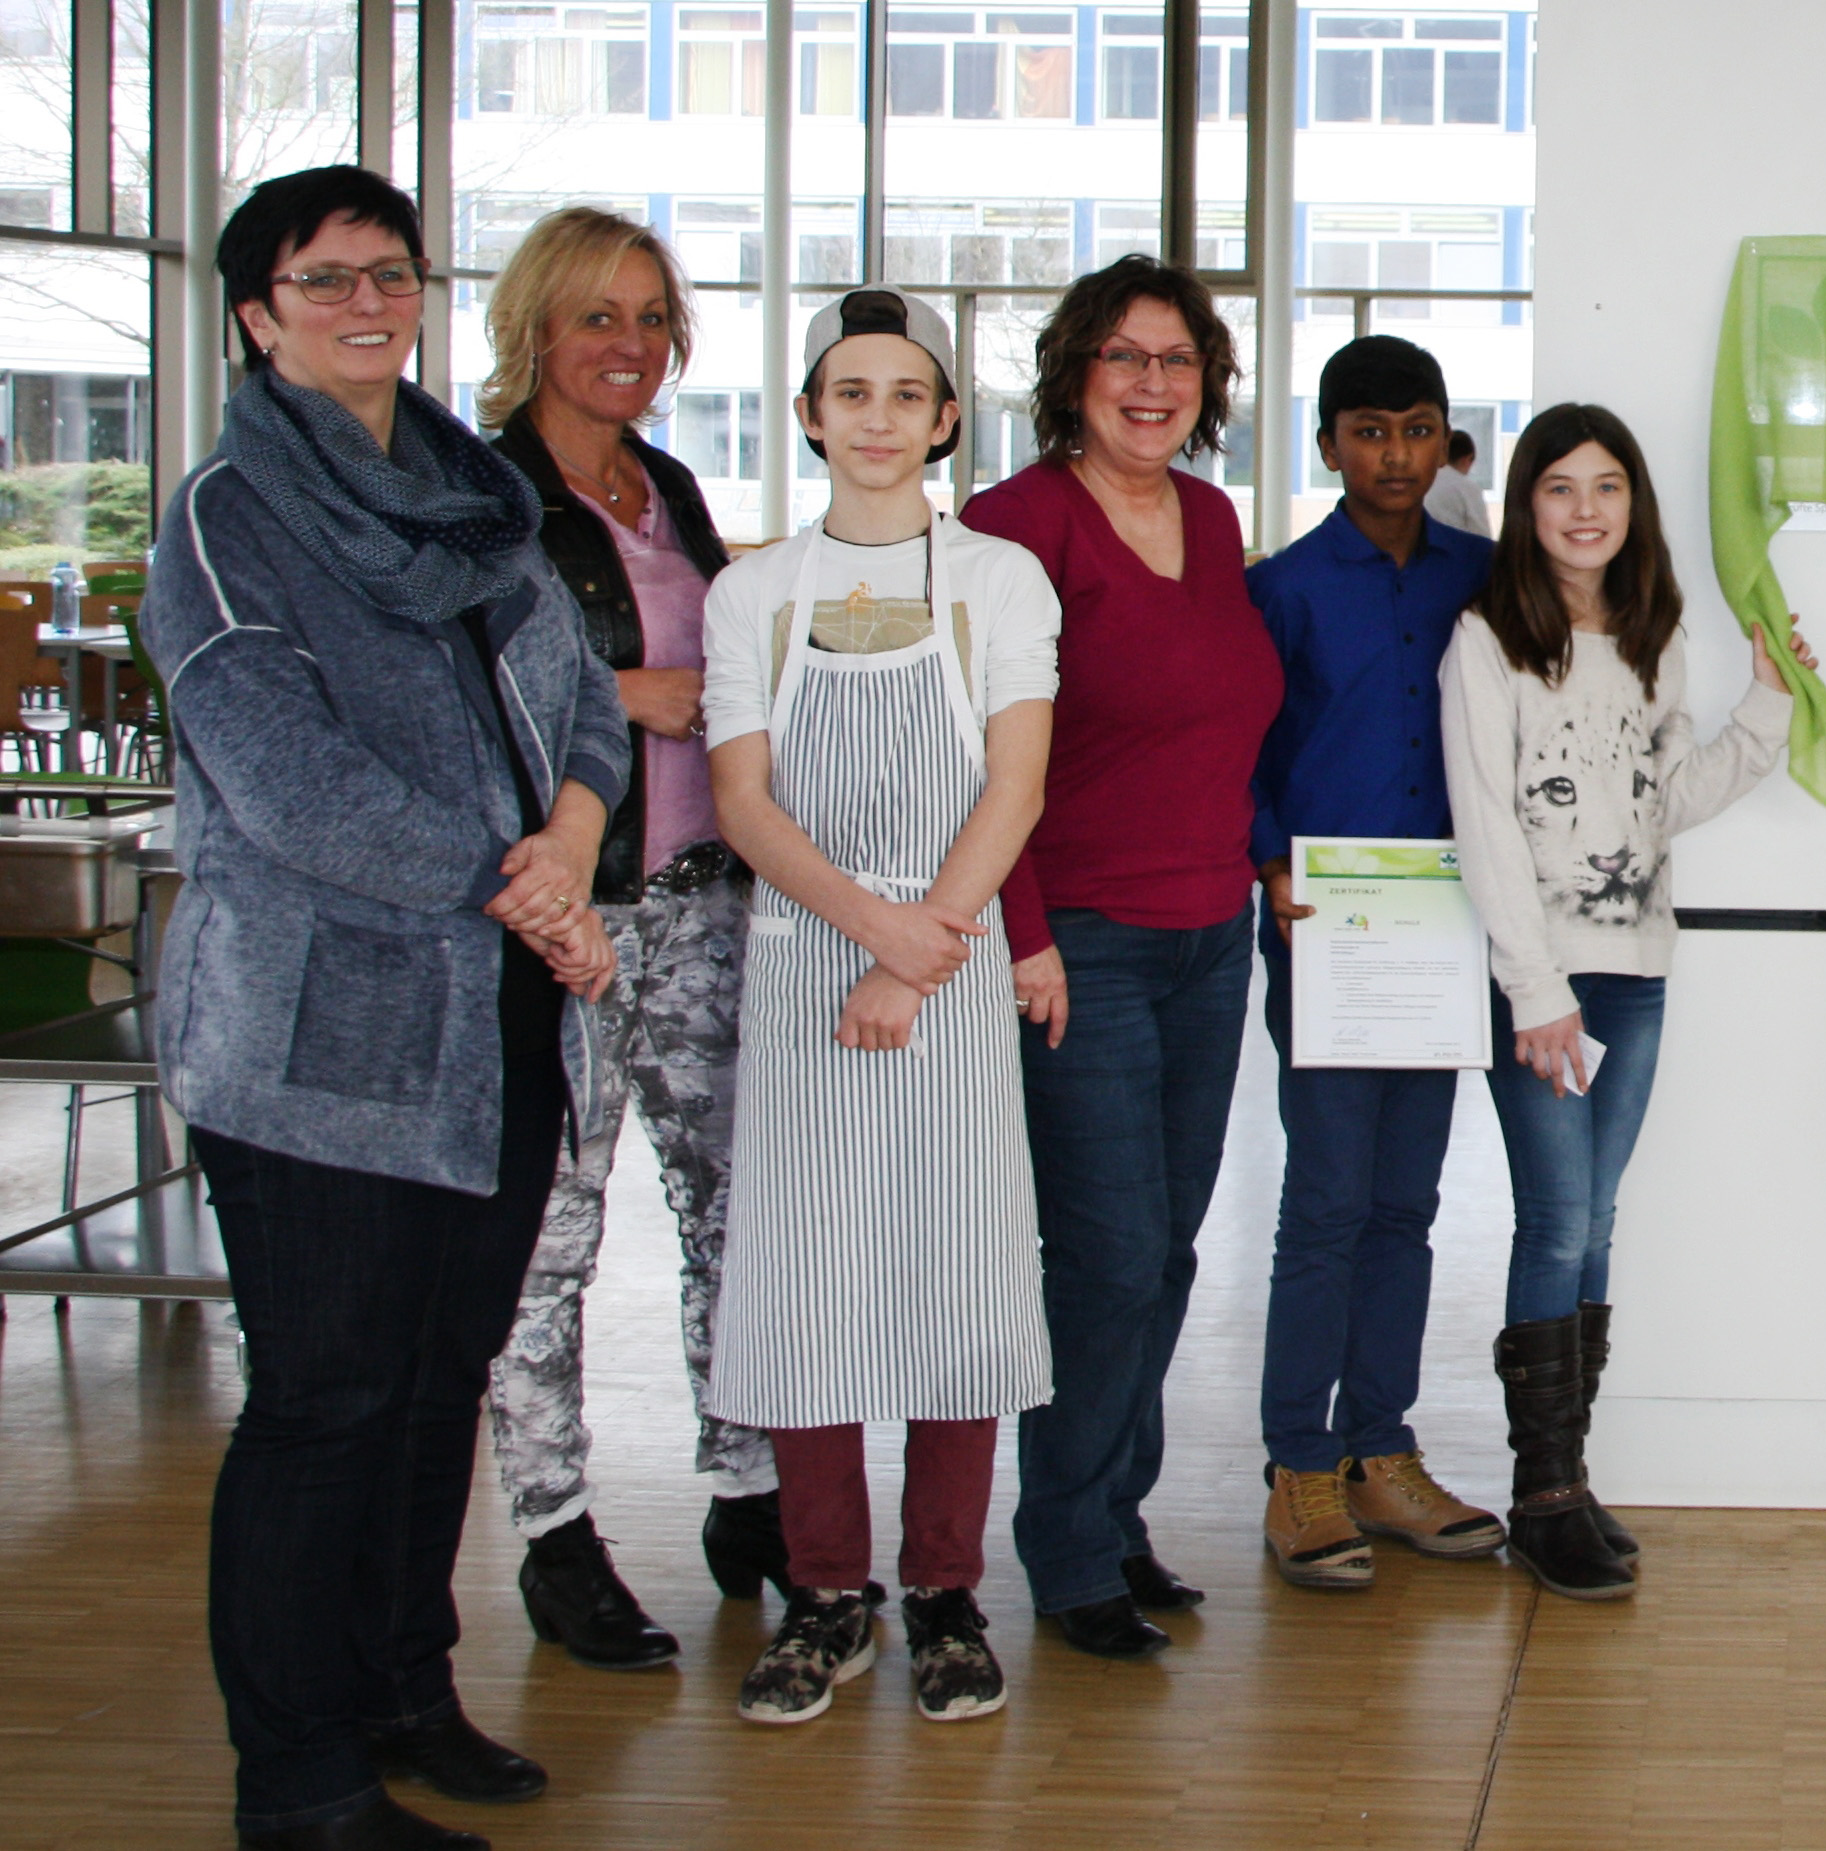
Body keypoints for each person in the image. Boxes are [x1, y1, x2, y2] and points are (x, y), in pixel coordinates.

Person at [147, 164, 625, 1851]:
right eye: (326, 278)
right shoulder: (228, 516)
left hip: (496, 1026)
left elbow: (585, 703)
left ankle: (404, 1691)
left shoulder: (474, 496)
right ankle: (299, 1782)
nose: (368, 303)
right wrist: (522, 885)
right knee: (326, 1406)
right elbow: (287, 779)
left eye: (392, 273)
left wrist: (574, 834)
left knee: (436, 1386)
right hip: (323, 1044)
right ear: (257, 315)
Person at [700, 289, 1061, 1725]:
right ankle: (826, 1594)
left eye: (906, 394)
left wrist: (917, 953)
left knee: (956, 1278)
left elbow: (1015, 785)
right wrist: (872, 936)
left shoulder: (1000, 581)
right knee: (808, 1287)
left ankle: (945, 1592)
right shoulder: (753, 593)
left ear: (946, 419)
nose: (876, 418)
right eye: (848, 392)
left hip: (949, 963)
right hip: (805, 961)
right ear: (807, 416)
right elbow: (743, 801)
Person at [475, 203, 783, 1672]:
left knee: (738, 1210)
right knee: (553, 1234)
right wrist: (626, 692)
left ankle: (749, 1489)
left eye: (654, 318)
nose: (631, 344)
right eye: (598, 314)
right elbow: (455, 688)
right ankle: (555, 1533)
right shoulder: (483, 495)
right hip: (569, 920)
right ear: (534, 324)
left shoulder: (665, 486)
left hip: (708, 904)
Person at [962, 255, 1284, 1660]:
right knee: (1102, 1257)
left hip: (1211, 937)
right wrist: (1023, 935)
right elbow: (978, 764)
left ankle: (1115, 1510)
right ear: (1073, 376)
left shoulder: (1210, 520)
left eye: (1178, 360)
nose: (1153, 385)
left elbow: (1225, 725)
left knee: (1164, 1251)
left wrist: (1262, 870)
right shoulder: (1013, 527)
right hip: (1077, 943)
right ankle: (1067, 1546)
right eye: (1124, 358)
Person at [1441, 401, 1817, 1601]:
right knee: (1556, 1223)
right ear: (1525, 506)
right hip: (1543, 983)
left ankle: (1566, 1479)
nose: (1585, 510)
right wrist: (1534, 990)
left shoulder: (1655, 635)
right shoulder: (1487, 637)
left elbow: (1665, 801)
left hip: (1637, 971)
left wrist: (1769, 703)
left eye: (1607, 486)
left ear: (1633, 505)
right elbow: (1485, 823)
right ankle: (1539, 1498)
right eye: (1559, 487)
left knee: (1595, 1223)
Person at [1244, 336, 1504, 1587]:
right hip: (1326, 932)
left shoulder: (1486, 580)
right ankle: (1299, 1465)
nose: (1394, 456)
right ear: (1328, 444)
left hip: (1443, 931)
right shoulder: (1282, 589)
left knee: (1407, 1205)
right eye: (1367, 431)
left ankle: (1380, 1451)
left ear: (1447, 441)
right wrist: (1264, 861)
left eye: (1415, 430)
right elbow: (1240, 747)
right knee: (1327, 1202)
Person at [1424, 425, 1492, 537]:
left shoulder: (1425, 481)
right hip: (1455, 545)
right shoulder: (1467, 488)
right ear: (1468, 459)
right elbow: (1481, 534)